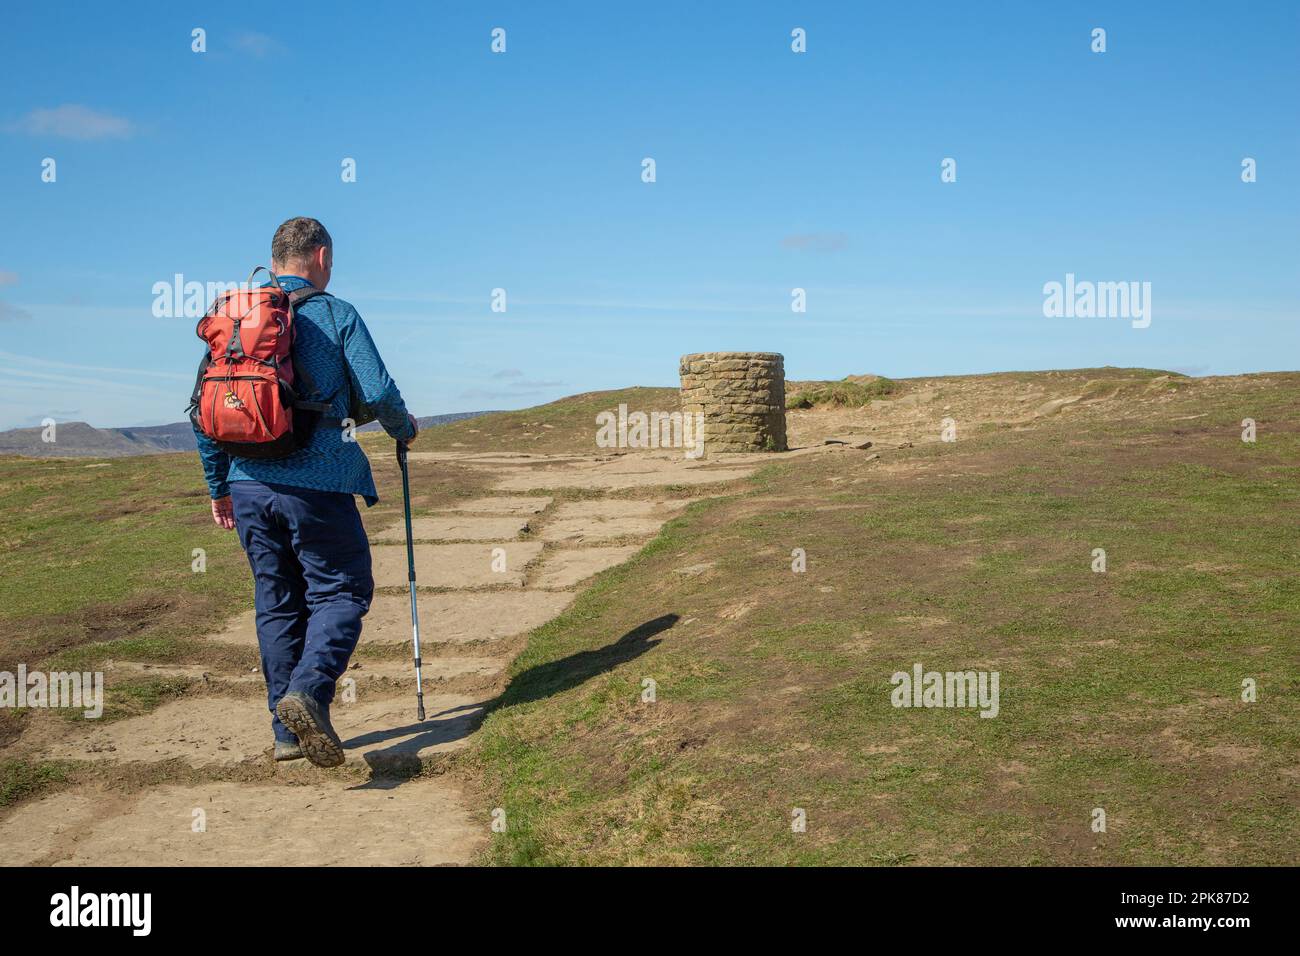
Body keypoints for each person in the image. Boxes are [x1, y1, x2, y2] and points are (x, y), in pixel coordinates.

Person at [193, 216, 418, 767]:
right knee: (341, 591)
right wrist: (403, 428)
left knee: (277, 601)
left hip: (249, 487)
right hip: (318, 484)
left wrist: (220, 486)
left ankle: (285, 733)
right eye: (331, 259)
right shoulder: (336, 313)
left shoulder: (235, 318)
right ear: (320, 256)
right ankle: (309, 693)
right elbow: (378, 389)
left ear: (274, 261)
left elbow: (203, 412)